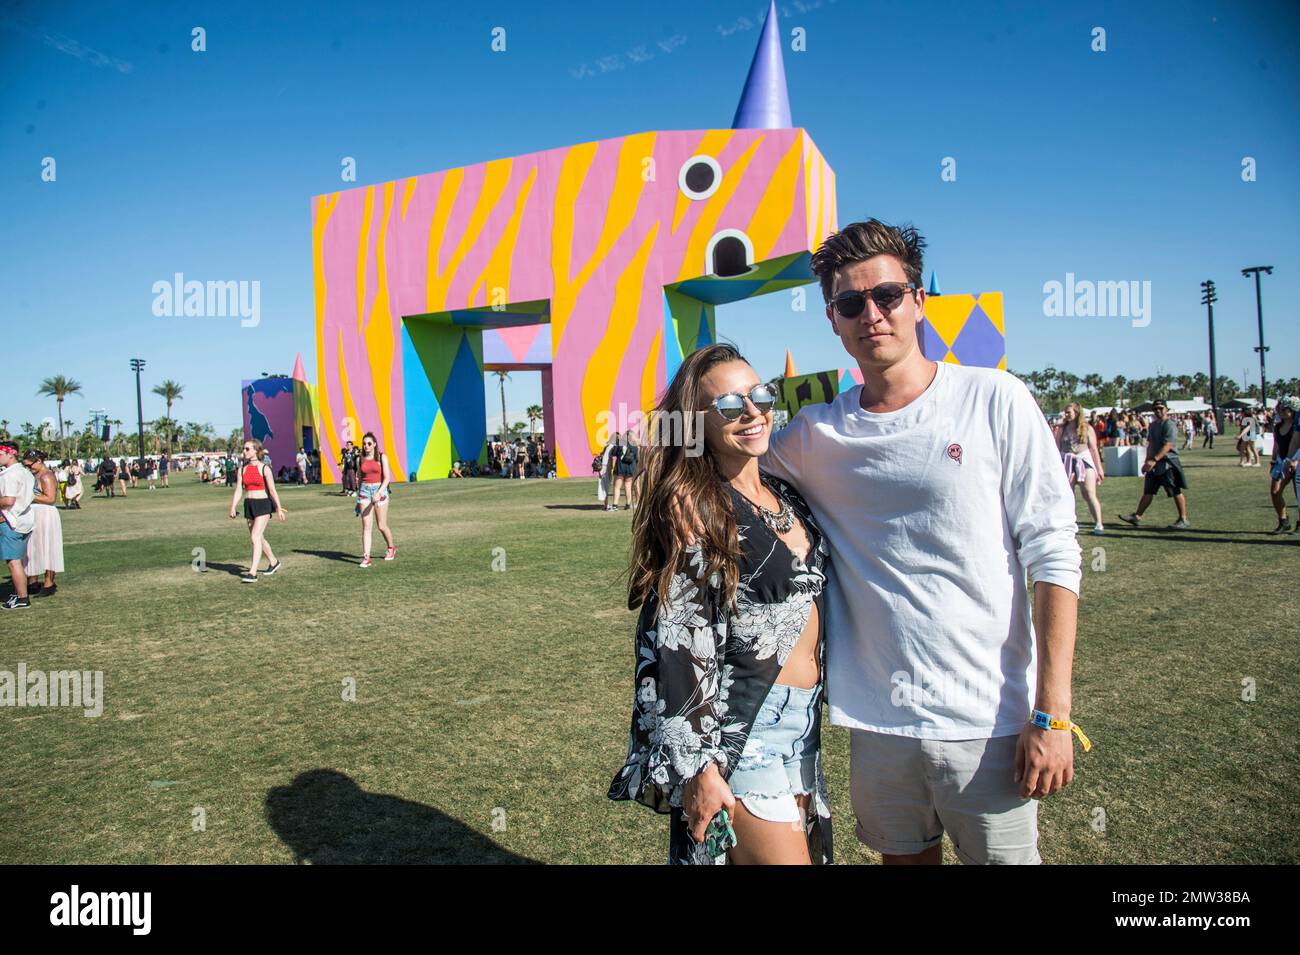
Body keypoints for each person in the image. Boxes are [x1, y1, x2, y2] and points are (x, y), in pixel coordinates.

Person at [754, 219, 1086, 865]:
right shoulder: (813, 435)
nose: (871, 314)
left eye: (888, 295)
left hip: (990, 720)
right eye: (851, 303)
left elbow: (1053, 551)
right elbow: (725, 468)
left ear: (918, 299)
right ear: (832, 318)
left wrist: (1053, 714)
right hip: (876, 724)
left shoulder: (995, 399)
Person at [609, 343, 833, 865]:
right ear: (696, 425)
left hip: (803, 728)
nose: (752, 411)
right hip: (740, 730)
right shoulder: (697, 508)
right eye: (729, 406)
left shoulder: (787, 494)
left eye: (760, 394)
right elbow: (678, 638)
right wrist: (700, 767)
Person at [1118, 399, 1190, 529]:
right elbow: (1150, 443)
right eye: (1155, 409)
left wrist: (1154, 459)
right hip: (1154, 463)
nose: (1158, 411)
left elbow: (1168, 445)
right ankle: (1137, 516)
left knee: (1175, 490)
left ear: (1166, 409)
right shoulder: (1153, 425)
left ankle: (1183, 519)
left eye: (1161, 408)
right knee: (1148, 491)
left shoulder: (1169, 425)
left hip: (1167, 463)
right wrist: (1147, 460)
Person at [228, 439, 286, 583]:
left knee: (254, 537)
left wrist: (279, 508)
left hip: (263, 505)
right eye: (244, 449)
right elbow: (238, 490)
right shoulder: (242, 470)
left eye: (247, 449)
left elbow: (272, 490)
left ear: (255, 451)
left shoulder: (264, 468)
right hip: (249, 505)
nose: (244, 451)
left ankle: (252, 572)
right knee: (259, 538)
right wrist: (233, 506)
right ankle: (274, 562)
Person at [1054, 402, 1105, 535]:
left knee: (1088, 492)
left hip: (1083, 460)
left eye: (1069, 412)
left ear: (1076, 413)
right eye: (1065, 412)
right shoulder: (1061, 428)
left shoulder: (1086, 428)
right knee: (1067, 494)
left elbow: (1094, 449)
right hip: (1067, 461)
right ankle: (1069, 522)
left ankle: (1098, 523)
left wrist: (1099, 468)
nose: (1066, 415)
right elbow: (1056, 446)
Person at [21, 450, 63, 598]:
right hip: (35, 514)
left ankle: (48, 583)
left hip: (45, 514)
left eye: (30, 465)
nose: (28, 468)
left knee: (48, 547)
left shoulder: (47, 476)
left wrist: (30, 497)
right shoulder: (34, 475)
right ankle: (32, 581)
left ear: (38, 461)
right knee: (33, 548)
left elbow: (50, 498)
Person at [0, 442, 36, 610]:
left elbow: (8, 500)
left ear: (11, 454)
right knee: (18, 560)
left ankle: (22, 598)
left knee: (13, 562)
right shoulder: (25, 472)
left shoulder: (10, 474)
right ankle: (19, 592)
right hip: (24, 520)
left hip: (11, 521)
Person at [356, 431, 395, 567]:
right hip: (364, 492)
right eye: (364, 444)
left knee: (381, 526)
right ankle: (367, 557)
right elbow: (360, 479)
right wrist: (358, 500)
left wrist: (379, 492)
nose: (366, 446)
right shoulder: (359, 459)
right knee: (366, 526)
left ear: (374, 444)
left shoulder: (381, 457)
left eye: (369, 443)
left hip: (380, 490)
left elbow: (387, 478)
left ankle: (391, 547)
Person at [1267, 397, 1299, 534]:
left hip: (1296, 461)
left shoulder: (1297, 425)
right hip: (1281, 462)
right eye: (1280, 408)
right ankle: (1283, 520)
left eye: (1284, 409)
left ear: (1292, 411)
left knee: (1299, 494)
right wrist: (1274, 461)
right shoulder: (1278, 426)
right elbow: (1276, 445)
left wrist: (1294, 461)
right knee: (1275, 492)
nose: (1281, 411)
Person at [611, 430, 640, 510]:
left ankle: (615, 504)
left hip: (620, 467)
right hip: (630, 469)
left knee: (617, 487)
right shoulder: (634, 447)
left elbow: (613, 452)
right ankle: (628, 504)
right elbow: (636, 458)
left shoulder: (620, 444)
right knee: (628, 486)